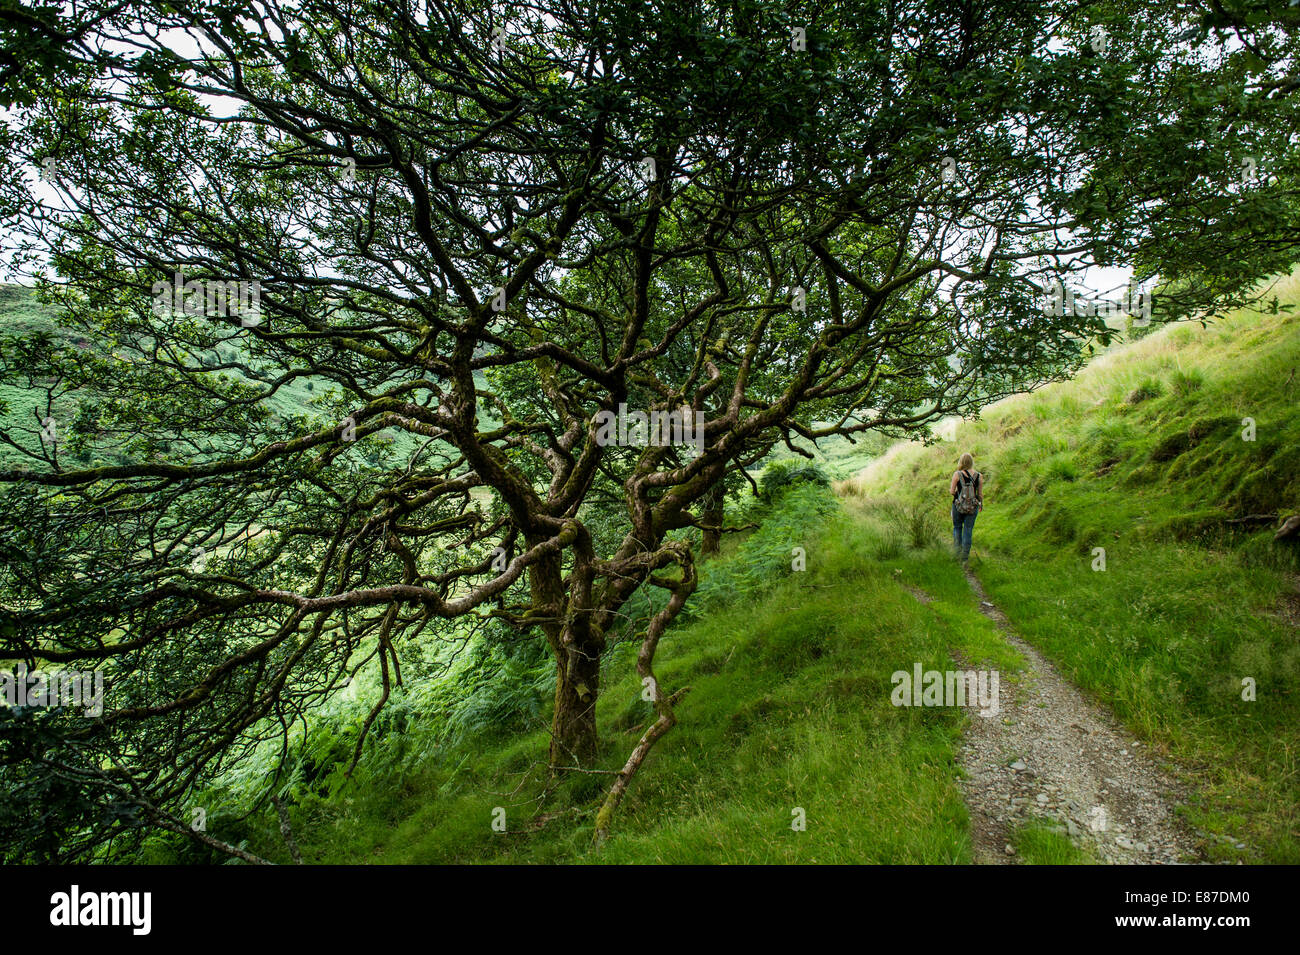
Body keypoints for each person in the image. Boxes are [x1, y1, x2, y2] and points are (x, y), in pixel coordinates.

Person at [949, 453, 983, 564]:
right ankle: (965, 558)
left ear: (961, 462)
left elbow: (951, 492)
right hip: (972, 507)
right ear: (971, 462)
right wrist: (981, 504)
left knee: (957, 528)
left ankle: (957, 553)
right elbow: (980, 494)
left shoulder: (957, 474)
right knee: (968, 530)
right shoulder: (979, 476)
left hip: (958, 506)